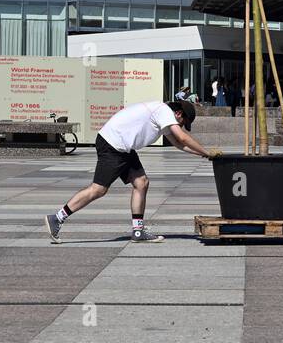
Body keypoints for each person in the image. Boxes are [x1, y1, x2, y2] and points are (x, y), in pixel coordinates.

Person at [45, 100, 216, 243]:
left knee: (141, 182)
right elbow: (183, 138)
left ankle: (138, 231)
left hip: (123, 148)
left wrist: (202, 154)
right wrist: (207, 152)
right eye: (183, 123)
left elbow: (178, 144)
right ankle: (57, 218)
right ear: (178, 113)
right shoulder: (164, 111)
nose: (181, 126)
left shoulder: (161, 115)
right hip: (113, 144)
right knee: (98, 189)